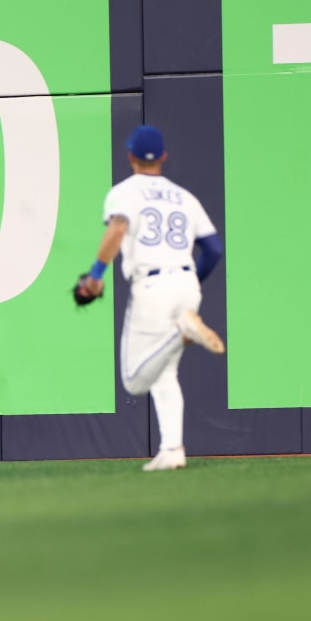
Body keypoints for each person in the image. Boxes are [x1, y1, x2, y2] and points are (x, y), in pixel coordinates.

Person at [78, 125, 225, 471]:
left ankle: (182, 332)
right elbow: (213, 249)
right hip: (188, 283)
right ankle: (172, 449)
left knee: (134, 378)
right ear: (163, 157)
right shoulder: (184, 197)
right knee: (165, 370)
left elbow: (117, 229)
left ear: (130, 156)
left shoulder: (124, 192)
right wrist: (192, 282)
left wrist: (95, 275)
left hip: (153, 285)